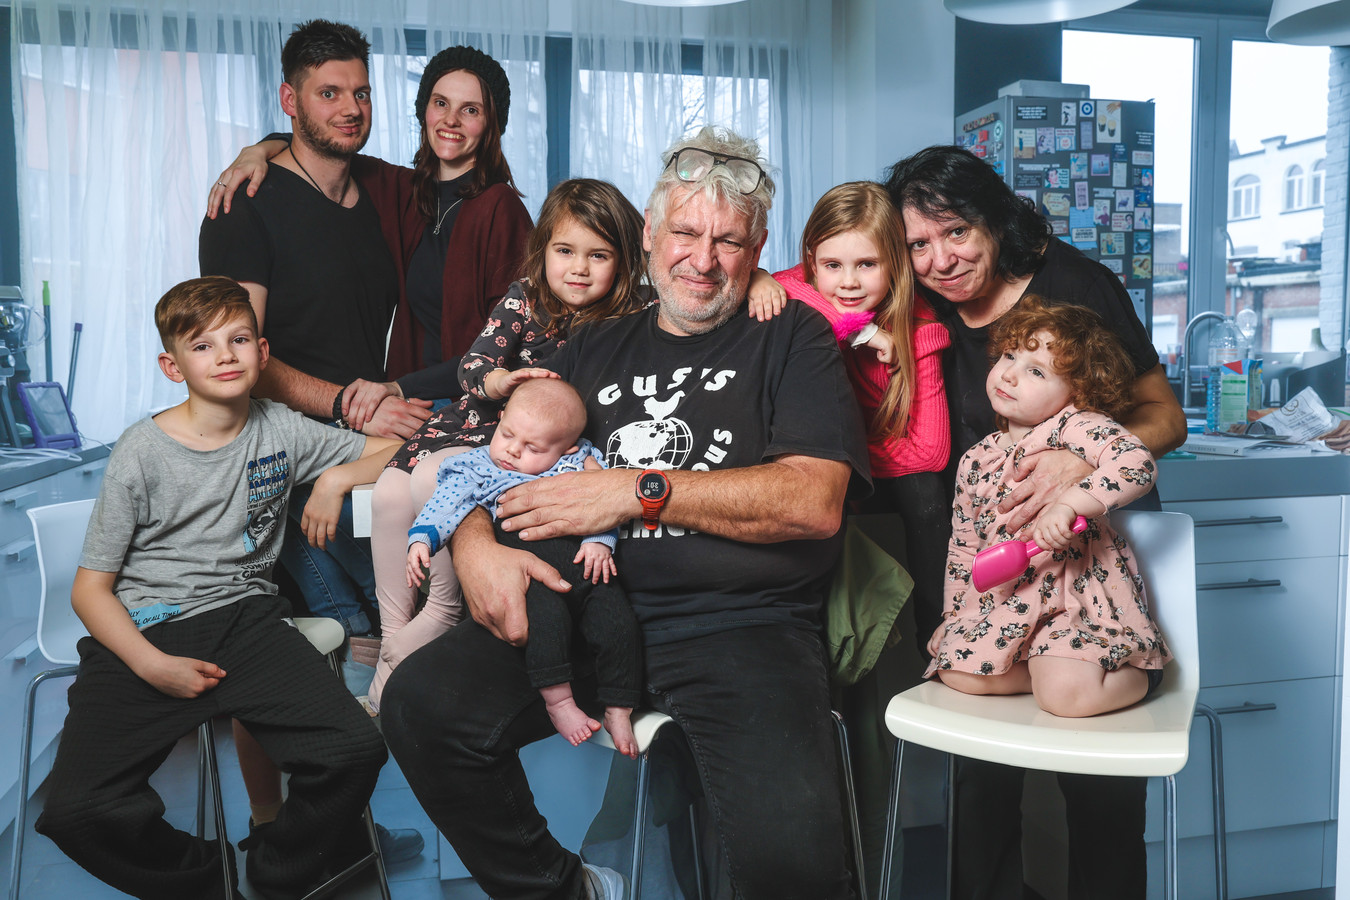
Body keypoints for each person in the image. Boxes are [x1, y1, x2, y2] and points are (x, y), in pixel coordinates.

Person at [379, 125, 870, 900]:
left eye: (728, 241)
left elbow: (814, 502)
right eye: (685, 233)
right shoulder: (592, 345)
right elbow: (487, 456)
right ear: (648, 234)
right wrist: (474, 545)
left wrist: (636, 489)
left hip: (739, 626)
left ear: (758, 248)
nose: (702, 260)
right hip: (580, 610)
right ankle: (565, 891)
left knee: (795, 872)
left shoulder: (792, 338)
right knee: (419, 707)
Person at [884, 144, 1186, 900]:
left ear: (994, 219)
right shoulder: (918, 298)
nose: (940, 260)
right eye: (917, 244)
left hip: (1088, 559)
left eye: (956, 232)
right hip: (989, 570)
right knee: (979, 779)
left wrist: (1078, 464)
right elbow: (821, 275)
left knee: (1099, 784)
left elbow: (1164, 417)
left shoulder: (1074, 285)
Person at [33, 277, 391, 900]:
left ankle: (275, 872)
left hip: (246, 619)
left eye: (239, 339)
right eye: (203, 346)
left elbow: (401, 446)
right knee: (76, 812)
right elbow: (90, 591)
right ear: (173, 367)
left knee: (353, 751)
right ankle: (208, 879)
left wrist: (335, 480)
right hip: (146, 628)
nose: (225, 356)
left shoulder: (283, 429)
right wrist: (153, 665)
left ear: (262, 352)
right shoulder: (141, 451)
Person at [198, 19, 426, 863]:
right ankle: (280, 835)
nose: (350, 107)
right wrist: (344, 407)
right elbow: (239, 359)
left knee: (371, 638)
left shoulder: (381, 196)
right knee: (291, 650)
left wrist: (370, 418)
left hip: (359, 454)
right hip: (270, 457)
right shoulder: (246, 205)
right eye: (328, 93)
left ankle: (327, 832)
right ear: (290, 99)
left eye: (360, 92)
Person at [367, 177, 647, 712]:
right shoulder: (525, 296)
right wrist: (498, 381)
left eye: (598, 255)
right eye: (564, 251)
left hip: (529, 445)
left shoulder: (632, 310)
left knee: (433, 484)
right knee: (387, 496)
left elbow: (698, 286)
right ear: (543, 250)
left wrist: (757, 282)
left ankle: (442, 609)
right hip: (482, 420)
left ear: (626, 260)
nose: (579, 269)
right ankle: (393, 634)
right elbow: (473, 364)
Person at [209, 42, 533, 412]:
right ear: (424, 110)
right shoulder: (407, 192)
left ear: (492, 124)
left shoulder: (501, 208)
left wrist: (397, 388)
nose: (451, 120)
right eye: (441, 103)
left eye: (470, 110)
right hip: (406, 403)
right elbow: (322, 145)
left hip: (466, 404)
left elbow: (510, 341)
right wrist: (261, 148)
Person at [927, 296, 1170, 716]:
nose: (1009, 374)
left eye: (1036, 371)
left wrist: (1070, 504)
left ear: (1078, 392)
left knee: (1065, 700)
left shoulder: (1077, 426)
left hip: (1072, 596)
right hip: (1011, 599)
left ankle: (1141, 673)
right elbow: (964, 550)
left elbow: (1137, 463)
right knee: (956, 672)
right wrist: (953, 616)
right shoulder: (976, 459)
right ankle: (1041, 671)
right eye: (1009, 356)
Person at [406, 379, 642, 754]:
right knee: (545, 623)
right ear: (500, 418)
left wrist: (600, 540)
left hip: (587, 569)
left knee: (619, 622)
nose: (513, 451)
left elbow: (607, 501)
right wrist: (421, 538)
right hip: (530, 576)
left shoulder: (579, 460)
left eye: (533, 447)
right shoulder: (476, 466)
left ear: (566, 446)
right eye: (507, 434)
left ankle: (619, 707)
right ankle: (559, 702)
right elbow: (445, 503)